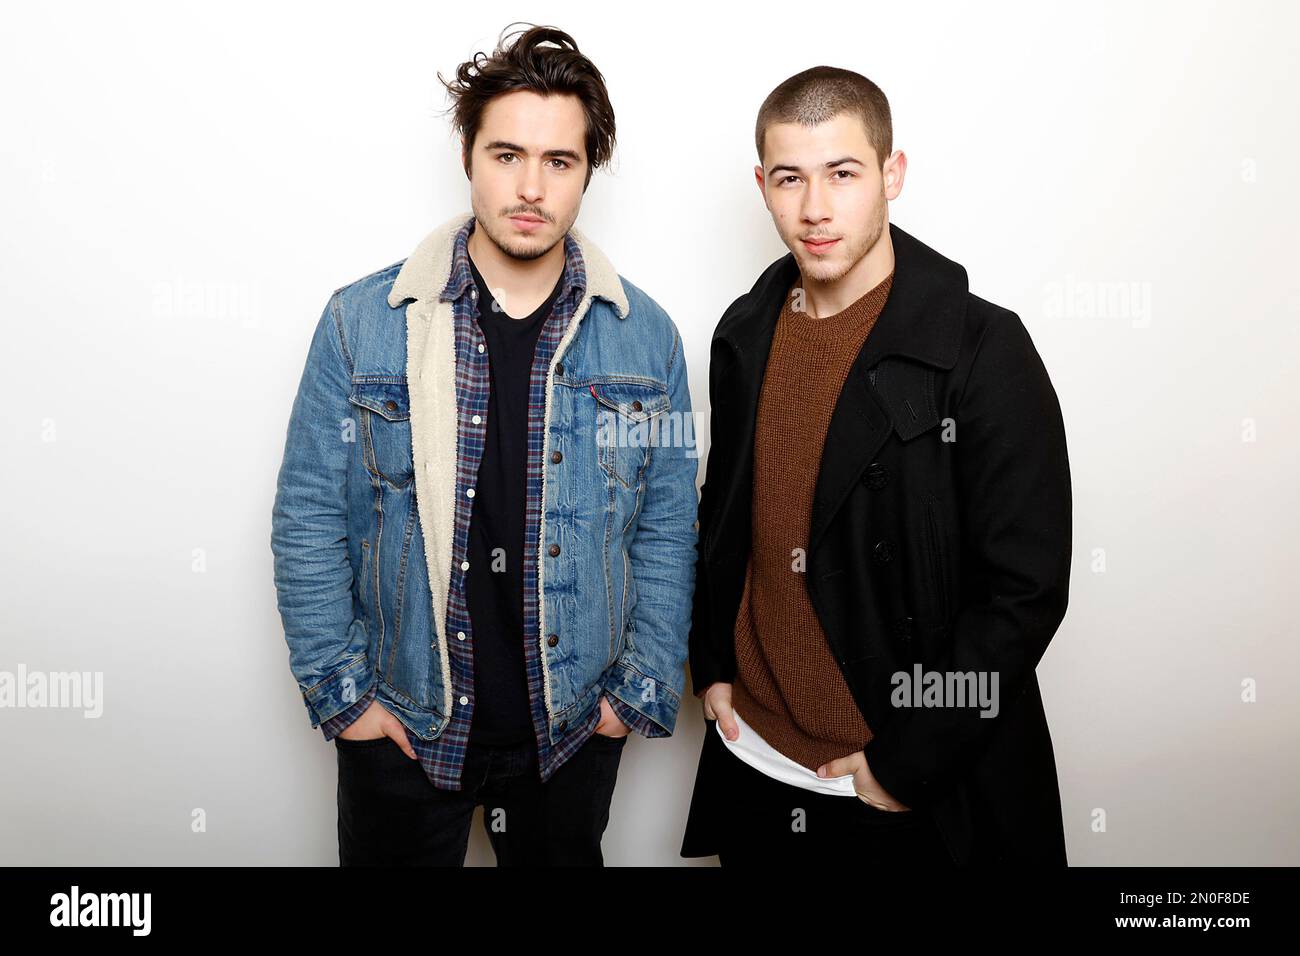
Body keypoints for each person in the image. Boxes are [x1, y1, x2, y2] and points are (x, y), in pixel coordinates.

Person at [270, 23, 698, 866]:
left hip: (570, 731)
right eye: (506, 155)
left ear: (587, 173)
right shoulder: (362, 324)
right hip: (402, 725)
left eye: (559, 161)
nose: (530, 187)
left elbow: (667, 524)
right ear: (468, 156)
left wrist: (632, 693)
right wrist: (343, 696)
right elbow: (309, 517)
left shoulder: (646, 340)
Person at [680, 66, 1073, 866]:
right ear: (762, 185)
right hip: (755, 758)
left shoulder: (982, 349)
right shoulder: (746, 333)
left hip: (899, 783)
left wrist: (901, 766)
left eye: (843, 174)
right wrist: (713, 662)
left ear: (892, 174)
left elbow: (1024, 594)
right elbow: (725, 515)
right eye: (790, 178)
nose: (815, 208)